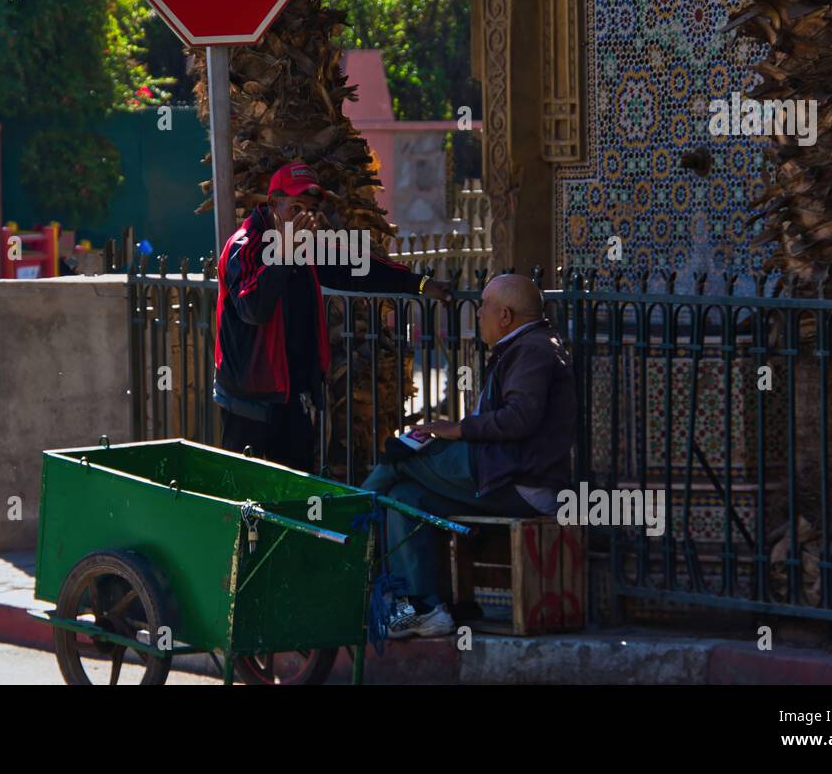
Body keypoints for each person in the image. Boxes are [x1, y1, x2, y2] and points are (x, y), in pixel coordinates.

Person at [362, 273, 577, 638]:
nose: (478, 314)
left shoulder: (533, 350)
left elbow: (520, 418)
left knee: (401, 456)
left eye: (484, 308)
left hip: (518, 480)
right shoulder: (528, 344)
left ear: (506, 316)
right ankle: (425, 608)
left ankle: (345, 517)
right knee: (404, 499)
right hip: (502, 472)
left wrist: (459, 429)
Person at [214, 161, 452, 472]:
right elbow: (253, 309)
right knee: (246, 500)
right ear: (274, 203)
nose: (302, 218)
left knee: (295, 496)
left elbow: (359, 267)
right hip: (248, 405)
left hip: (293, 400)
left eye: (309, 210)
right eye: (295, 207)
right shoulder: (244, 246)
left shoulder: (305, 247)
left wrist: (419, 284)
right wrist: (284, 256)